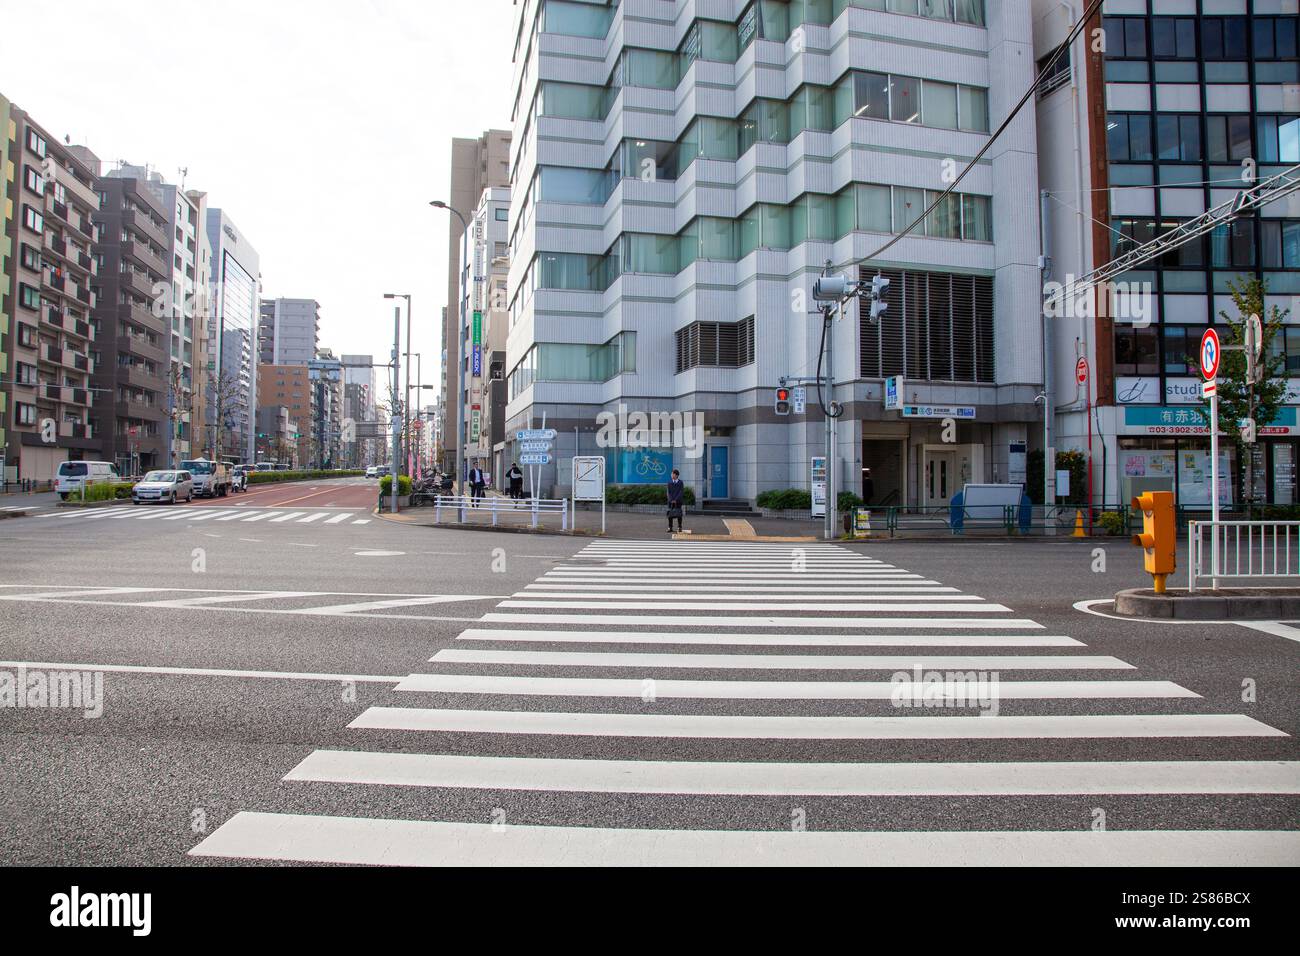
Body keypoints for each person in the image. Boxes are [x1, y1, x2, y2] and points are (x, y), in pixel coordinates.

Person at [666, 469, 685, 534]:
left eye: (673, 474)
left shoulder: (680, 482)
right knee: (670, 514)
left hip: (678, 501)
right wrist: (671, 500)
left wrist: (676, 500)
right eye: (671, 474)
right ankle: (670, 527)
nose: (671, 475)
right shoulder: (669, 482)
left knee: (679, 514)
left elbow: (681, 492)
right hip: (670, 502)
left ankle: (679, 527)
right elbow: (668, 492)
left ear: (676, 475)